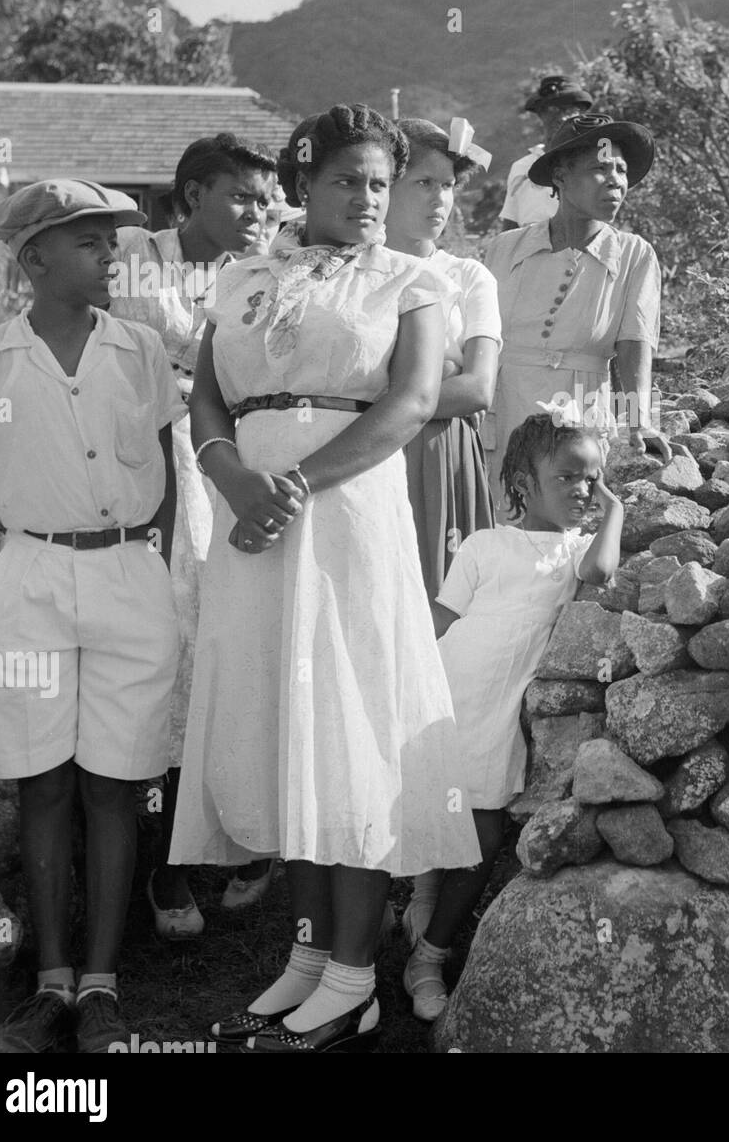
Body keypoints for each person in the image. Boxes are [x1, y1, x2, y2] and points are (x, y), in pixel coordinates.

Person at [169, 104, 480, 1053]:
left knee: (347, 730)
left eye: (381, 182)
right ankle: (305, 958)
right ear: (302, 185)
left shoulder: (413, 280)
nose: (369, 198)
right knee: (284, 734)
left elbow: (416, 399)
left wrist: (298, 482)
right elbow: (210, 396)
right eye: (348, 179)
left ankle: (354, 981)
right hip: (251, 521)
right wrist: (228, 476)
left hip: (344, 517)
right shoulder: (243, 276)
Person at [0, 179, 182, 1053]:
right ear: (36, 258)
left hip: (127, 572)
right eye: (90, 242)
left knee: (114, 784)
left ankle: (101, 986)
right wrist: (0, 566)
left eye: (110, 240)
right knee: (41, 781)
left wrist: (146, 561)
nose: (111, 254)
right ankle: (49, 983)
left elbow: (164, 471)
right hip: (31, 578)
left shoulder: (142, 349)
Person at [109, 132, 280, 937]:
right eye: (242, 195)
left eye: (267, 197)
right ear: (192, 198)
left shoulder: (265, 274)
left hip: (228, 465)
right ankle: (160, 866)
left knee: (234, 645)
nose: (261, 211)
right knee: (161, 658)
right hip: (137, 467)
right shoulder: (135, 252)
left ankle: (247, 832)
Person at [401, 404, 622, 1021]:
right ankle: (420, 897)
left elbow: (602, 572)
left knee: (484, 832)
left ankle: (430, 954)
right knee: (435, 806)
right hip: (451, 691)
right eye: (569, 477)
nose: (584, 490)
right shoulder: (483, 544)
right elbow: (440, 624)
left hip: (502, 711)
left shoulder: (577, 551)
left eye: (593, 477)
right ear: (523, 485)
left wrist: (617, 511)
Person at [484, 111, 672, 517]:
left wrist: (640, 421)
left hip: (580, 412)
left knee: (566, 535)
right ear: (561, 176)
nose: (616, 181)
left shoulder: (634, 254)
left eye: (621, 170)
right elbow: (476, 335)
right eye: (599, 169)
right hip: (503, 408)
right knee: (496, 527)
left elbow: (634, 342)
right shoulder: (505, 248)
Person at [386, 118, 501, 600]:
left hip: (439, 453)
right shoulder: (352, 271)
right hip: (364, 450)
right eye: (424, 183)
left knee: (440, 595)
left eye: (449, 186)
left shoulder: (469, 277)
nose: (440, 199)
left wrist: (389, 397)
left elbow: (477, 388)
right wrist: (435, 378)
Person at [496, 75, 594, 231]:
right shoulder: (521, 168)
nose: (561, 117)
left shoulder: (591, 165)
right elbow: (510, 225)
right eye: (552, 109)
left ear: (581, 113)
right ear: (540, 113)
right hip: (528, 250)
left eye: (570, 110)